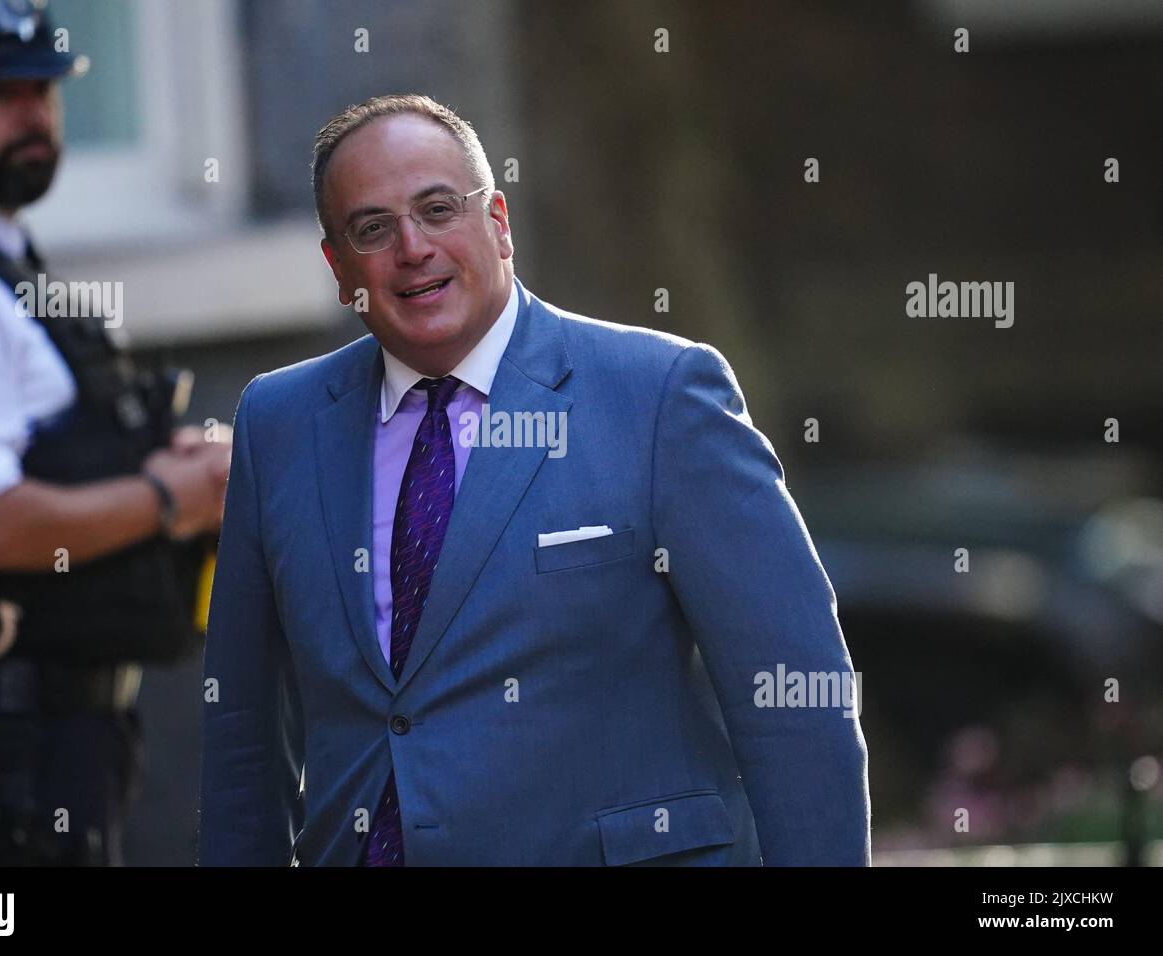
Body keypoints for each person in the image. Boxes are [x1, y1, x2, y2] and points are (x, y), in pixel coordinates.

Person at [198, 93, 870, 866]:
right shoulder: (278, 422)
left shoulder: (659, 396)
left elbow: (793, 696)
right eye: (373, 229)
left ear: (499, 223)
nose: (412, 247)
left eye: (439, 208)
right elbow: (242, 733)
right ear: (337, 264)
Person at [0, 0, 230, 865]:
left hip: (50, 740)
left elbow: (51, 450)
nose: (34, 114)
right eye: (2, 91)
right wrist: (169, 498)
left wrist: (174, 460)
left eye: (46, 89)